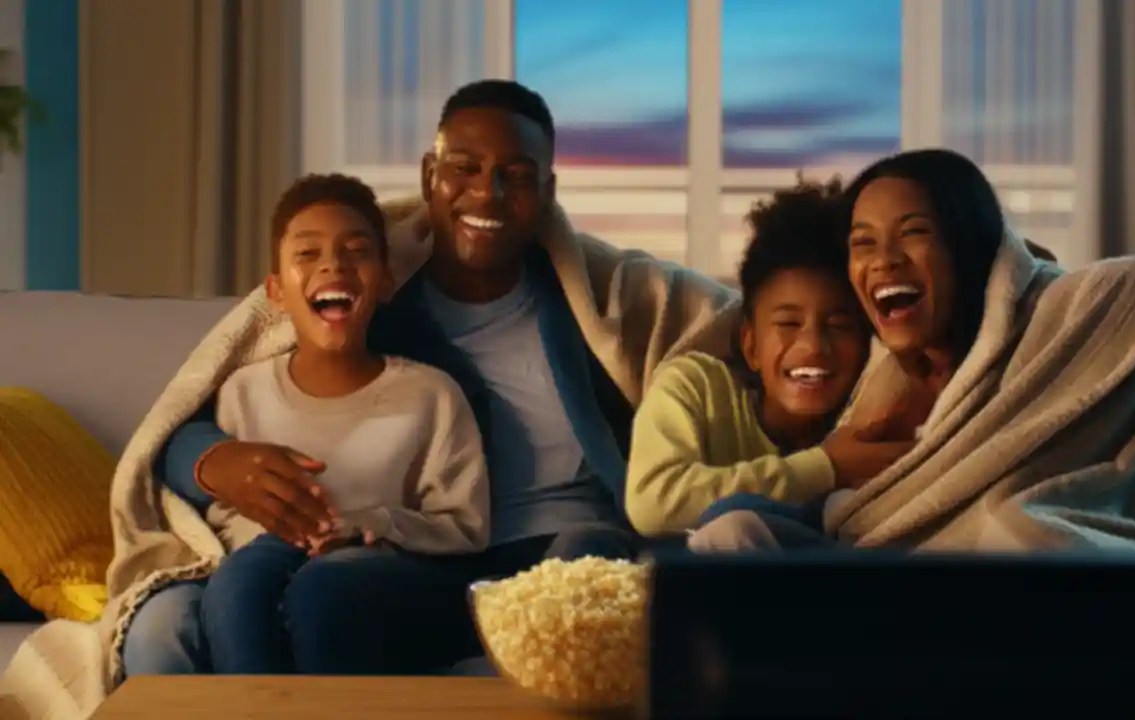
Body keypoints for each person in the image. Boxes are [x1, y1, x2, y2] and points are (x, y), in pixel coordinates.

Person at [117, 79, 737, 678]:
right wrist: (213, 460)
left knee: (587, 557)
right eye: (464, 168)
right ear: (428, 178)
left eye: (516, 176)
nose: (487, 193)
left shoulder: (595, 304)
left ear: (548, 193)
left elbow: (737, 325)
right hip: (419, 565)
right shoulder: (370, 298)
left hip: (553, 548)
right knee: (320, 592)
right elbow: (189, 415)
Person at [691, 147, 1135, 552]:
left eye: (913, 233)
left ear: (969, 245)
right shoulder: (873, 379)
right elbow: (864, 510)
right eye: (862, 243)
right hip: (892, 567)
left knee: (1023, 534)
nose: (883, 261)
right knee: (730, 530)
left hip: (1055, 537)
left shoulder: (1085, 311)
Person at [195, 173, 490, 674]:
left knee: (322, 586)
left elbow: (465, 527)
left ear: (386, 282)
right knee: (239, 585)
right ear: (276, 293)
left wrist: (373, 523)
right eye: (307, 254)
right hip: (260, 562)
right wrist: (286, 530)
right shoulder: (243, 392)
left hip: (373, 567)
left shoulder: (431, 395)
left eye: (356, 250)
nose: (333, 263)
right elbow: (220, 514)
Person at [625, 179, 901, 540]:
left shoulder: (874, 411)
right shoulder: (696, 387)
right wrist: (827, 467)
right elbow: (652, 503)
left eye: (839, 325)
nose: (814, 346)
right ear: (750, 345)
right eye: (788, 323)